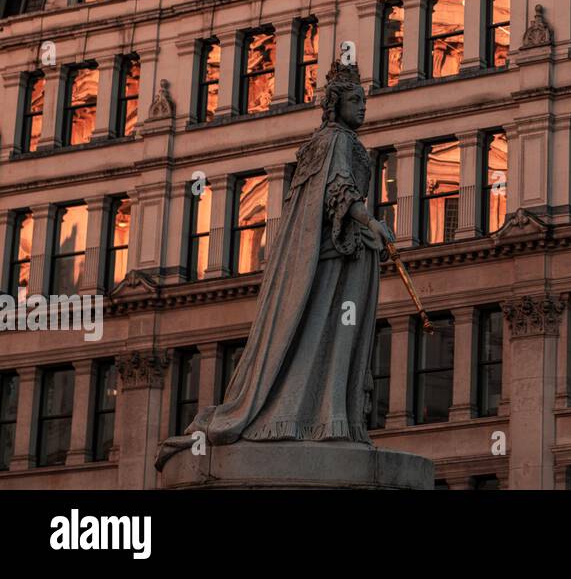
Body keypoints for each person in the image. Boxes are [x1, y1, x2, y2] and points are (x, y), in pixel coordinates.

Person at [156, 61, 394, 469]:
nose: (363, 108)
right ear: (336, 105)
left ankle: (318, 414)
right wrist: (372, 223)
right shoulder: (336, 140)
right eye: (356, 100)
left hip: (340, 255)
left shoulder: (329, 142)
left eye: (364, 101)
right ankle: (323, 417)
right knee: (327, 334)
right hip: (334, 259)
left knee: (324, 335)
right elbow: (339, 190)